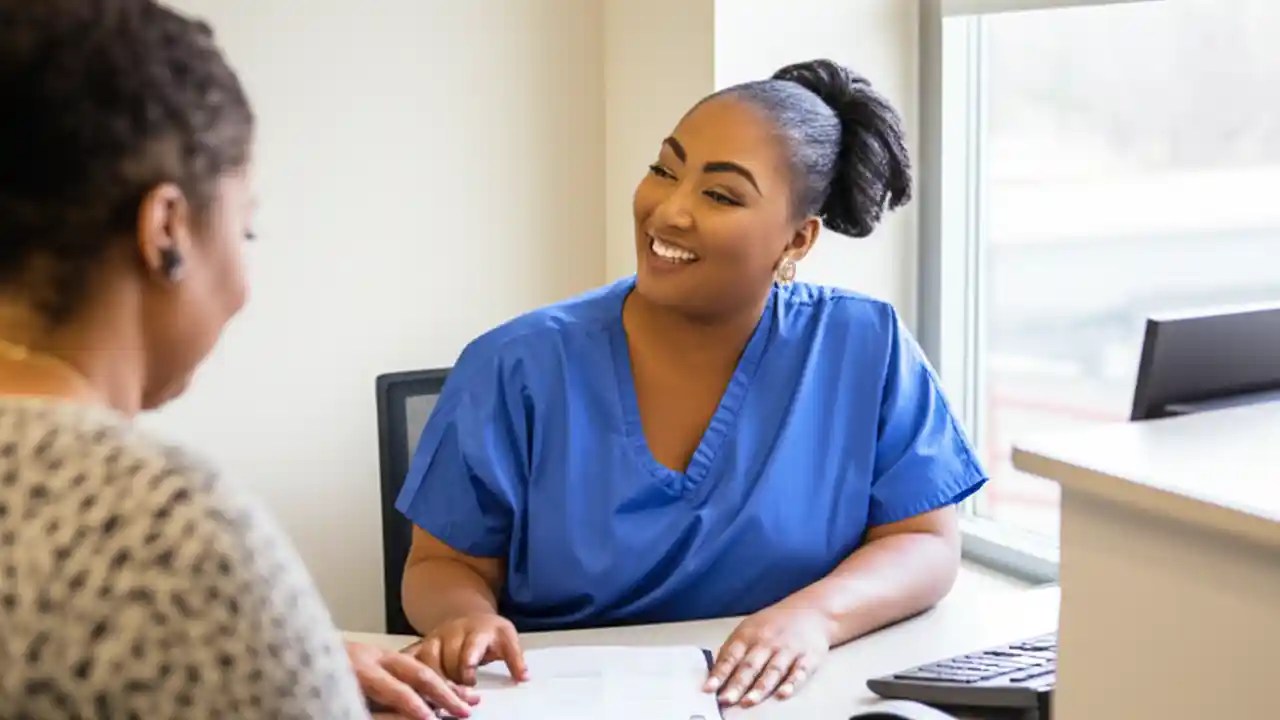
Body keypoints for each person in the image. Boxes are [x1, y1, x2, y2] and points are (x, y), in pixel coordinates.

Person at [398, 58, 988, 708]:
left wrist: (815, 617)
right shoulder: (515, 366)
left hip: (786, 699)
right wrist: (465, 620)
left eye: (720, 195)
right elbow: (441, 565)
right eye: (664, 170)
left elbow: (924, 540)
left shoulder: (865, 346)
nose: (669, 211)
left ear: (797, 239)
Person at [0, 1, 475, 718]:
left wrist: (274, 653)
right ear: (167, 229)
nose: (246, 280)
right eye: (244, 226)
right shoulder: (165, 533)